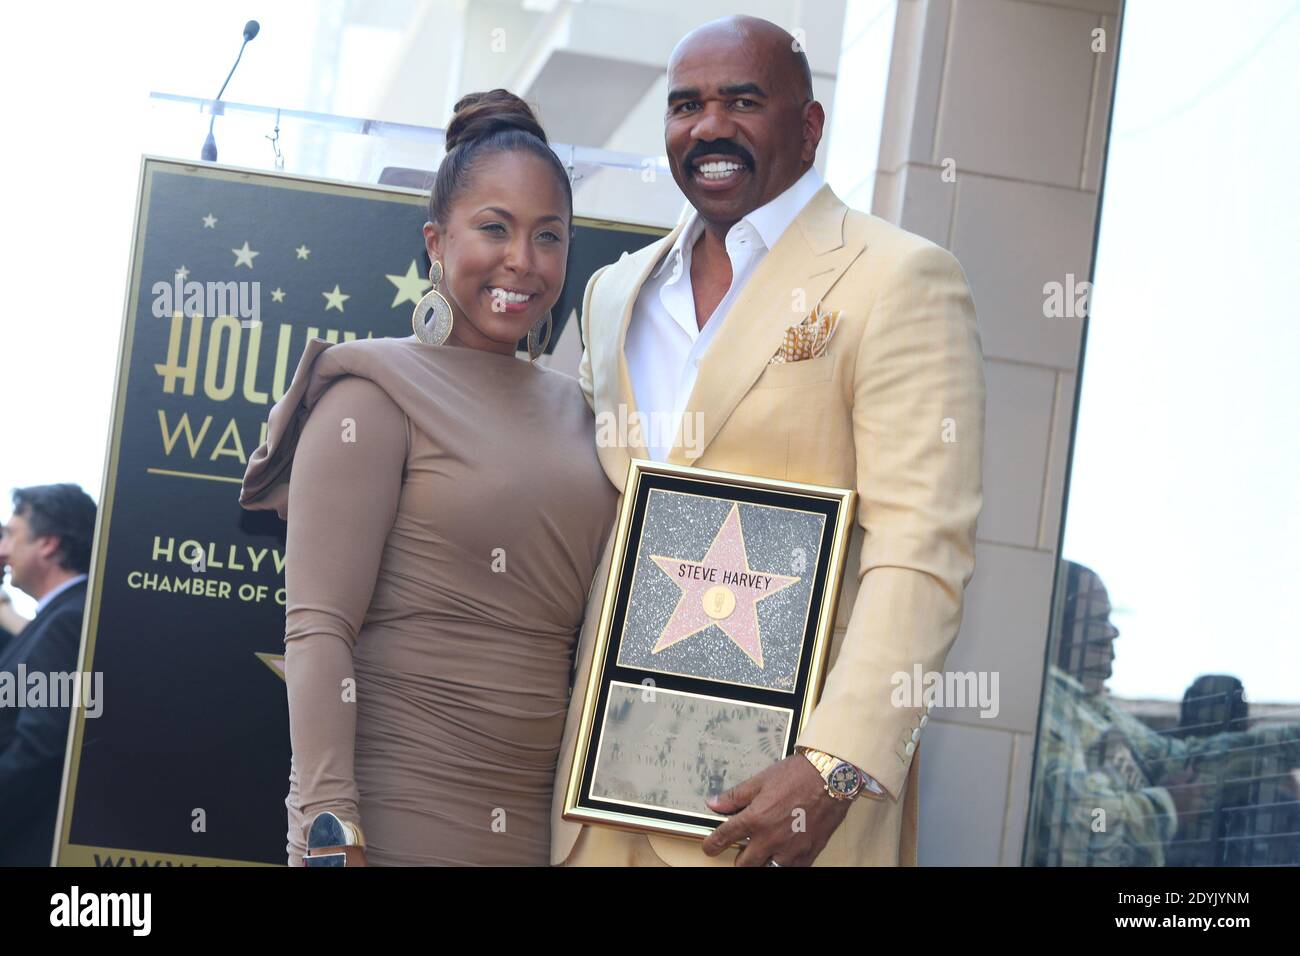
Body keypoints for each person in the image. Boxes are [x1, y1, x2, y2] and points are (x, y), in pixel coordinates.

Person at [554, 15, 986, 867]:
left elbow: (921, 550)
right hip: (598, 799)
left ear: (809, 126)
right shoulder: (613, 292)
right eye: (686, 106)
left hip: (778, 803)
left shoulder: (899, 279)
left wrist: (837, 764)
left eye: (741, 101)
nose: (708, 126)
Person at [239, 90, 617, 866]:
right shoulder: (370, 393)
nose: (522, 260)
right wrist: (329, 835)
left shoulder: (586, 412)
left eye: (549, 236)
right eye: (494, 228)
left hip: (546, 832)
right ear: (435, 242)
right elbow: (318, 632)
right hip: (393, 818)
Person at [0, 483, 97, 866]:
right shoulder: (58, 618)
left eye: (9, 535)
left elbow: (40, 750)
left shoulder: (69, 621)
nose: (2, 550)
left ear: (48, 545)